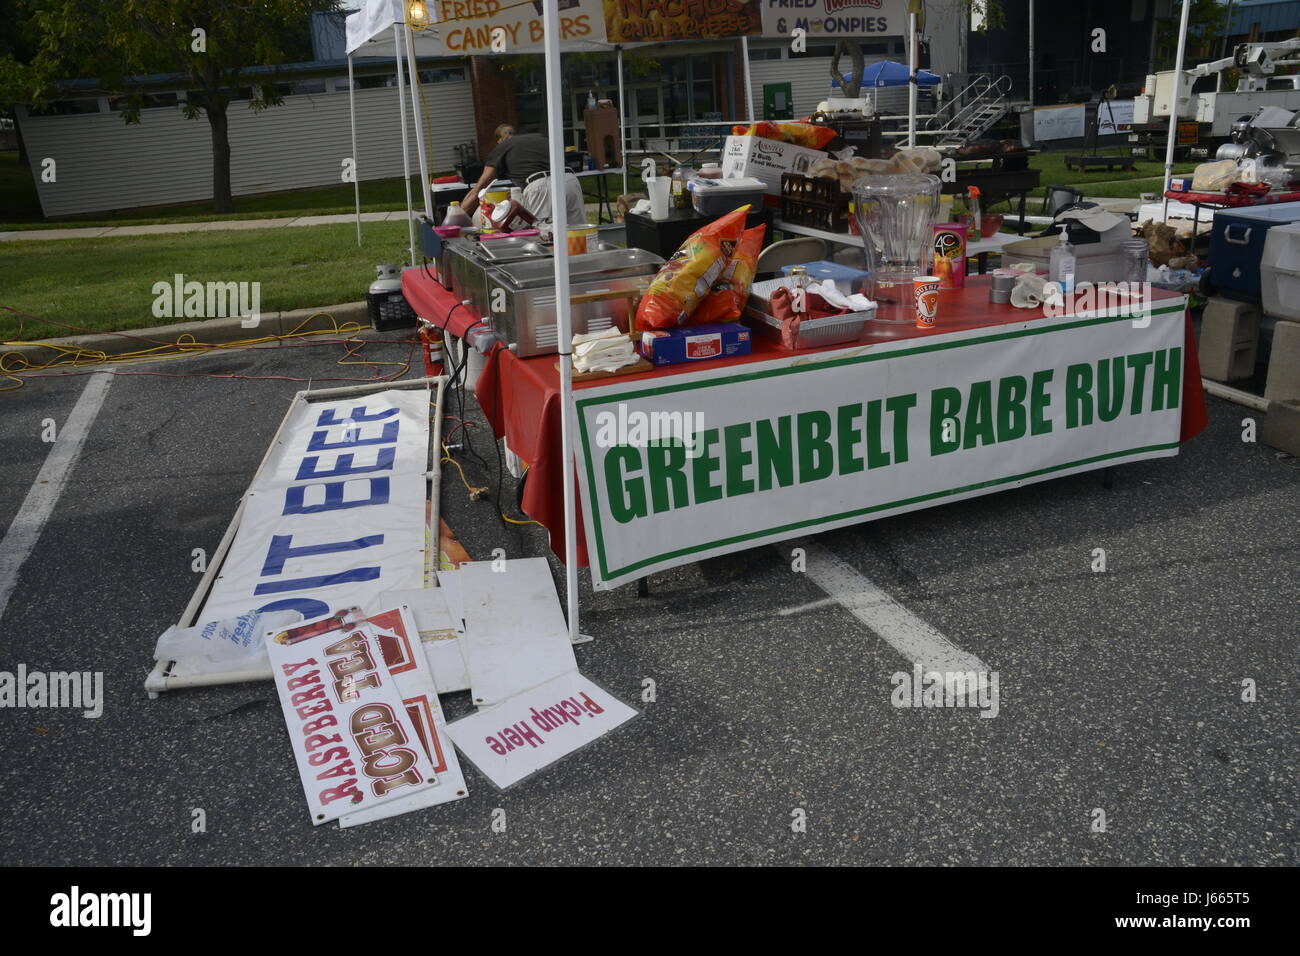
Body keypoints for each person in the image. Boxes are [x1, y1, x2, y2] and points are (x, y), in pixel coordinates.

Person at [461, 124, 586, 226]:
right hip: (570, 179)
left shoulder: (501, 147)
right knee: (578, 233)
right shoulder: (540, 138)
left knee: (542, 236)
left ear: (499, 141)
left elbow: (479, 190)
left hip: (541, 185)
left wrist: (458, 216)